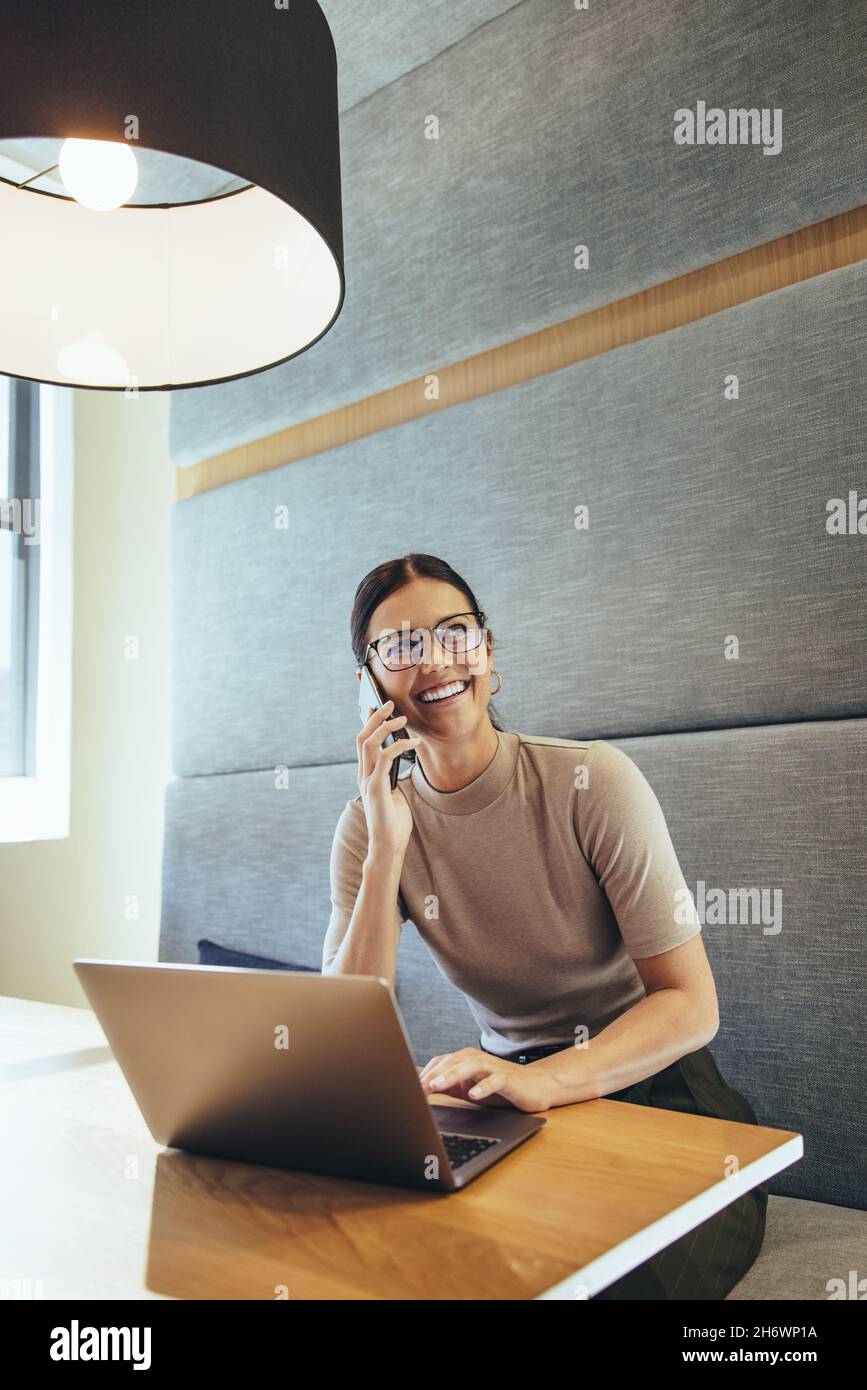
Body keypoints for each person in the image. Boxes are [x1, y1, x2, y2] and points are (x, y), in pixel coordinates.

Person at [322, 552, 767, 1300]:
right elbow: (339, 1031)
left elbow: (692, 1004)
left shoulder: (590, 782)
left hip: (659, 1095)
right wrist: (386, 850)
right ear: (370, 682)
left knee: (604, 1285)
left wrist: (544, 1083)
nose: (435, 660)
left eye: (454, 633)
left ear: (489, 653)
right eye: (400, 646)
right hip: (504, 1108)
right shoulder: (369, 828)